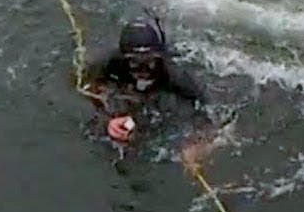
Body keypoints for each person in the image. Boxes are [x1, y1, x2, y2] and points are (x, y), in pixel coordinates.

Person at [80, 9, 214, 151]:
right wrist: (108, 120)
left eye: (149, 62)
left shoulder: (173, 74)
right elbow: (84, 85)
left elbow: (208, 106)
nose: (143, 70)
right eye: (134, 62)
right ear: (123, 59)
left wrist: (198, 143)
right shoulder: (110, 64)